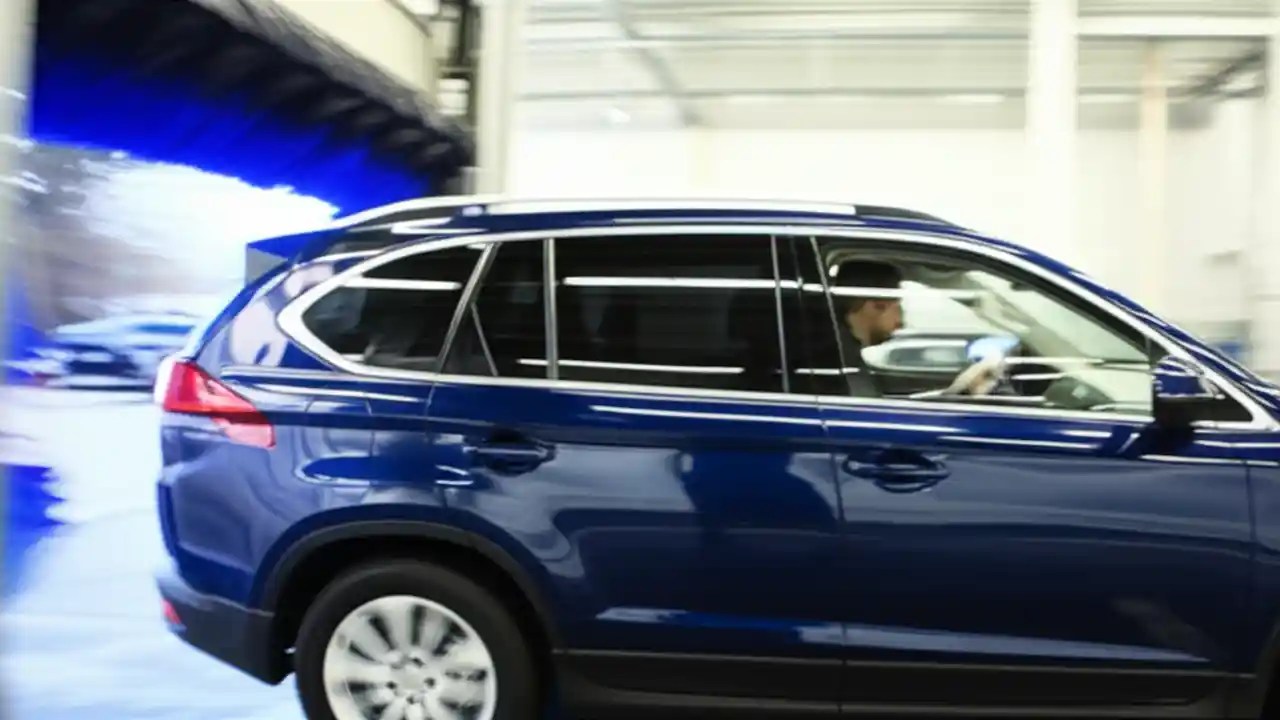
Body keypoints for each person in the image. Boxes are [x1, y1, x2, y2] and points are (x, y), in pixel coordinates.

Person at [831, 259, 1004, 398]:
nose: (902, 321)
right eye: (898, 306)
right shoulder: (836, 361)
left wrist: (958, 392)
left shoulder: (843, 354)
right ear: (877, 305)